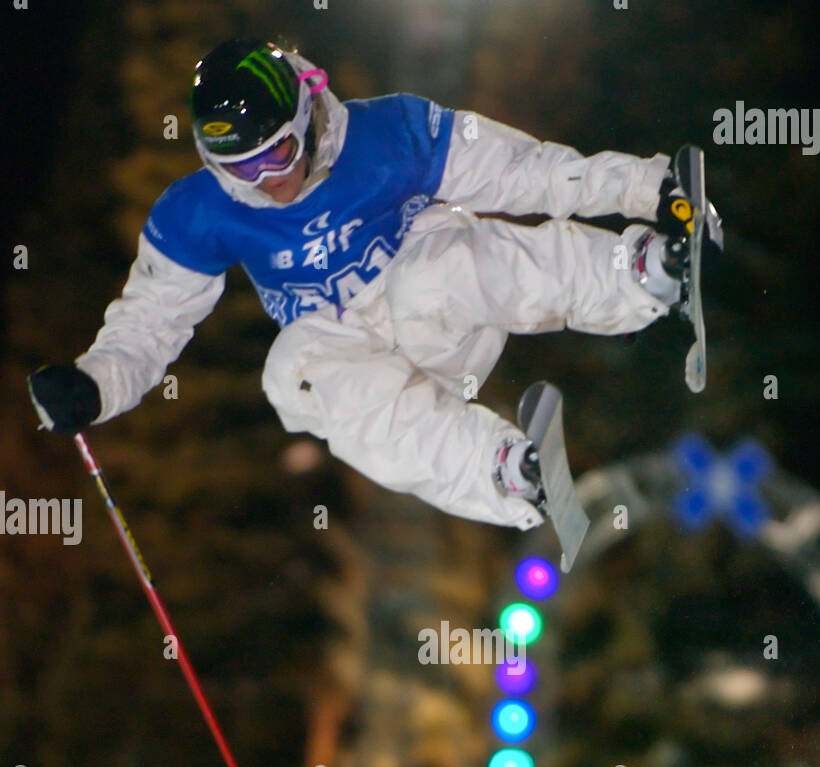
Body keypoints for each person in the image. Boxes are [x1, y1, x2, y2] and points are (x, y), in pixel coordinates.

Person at [28, 38, 722, 530]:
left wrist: (642, 185)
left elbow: (525, 172)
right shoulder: (197, 212)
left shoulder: (388, 134)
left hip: (444, 310)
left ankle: (638, 276)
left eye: (276, 152)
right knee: (291, 370)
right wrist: (95, 385)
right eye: (240, 168)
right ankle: (504, 473)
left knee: (438, 268)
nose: (269, 182)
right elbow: (151, 322)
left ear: (304, 119)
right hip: (362, 351)